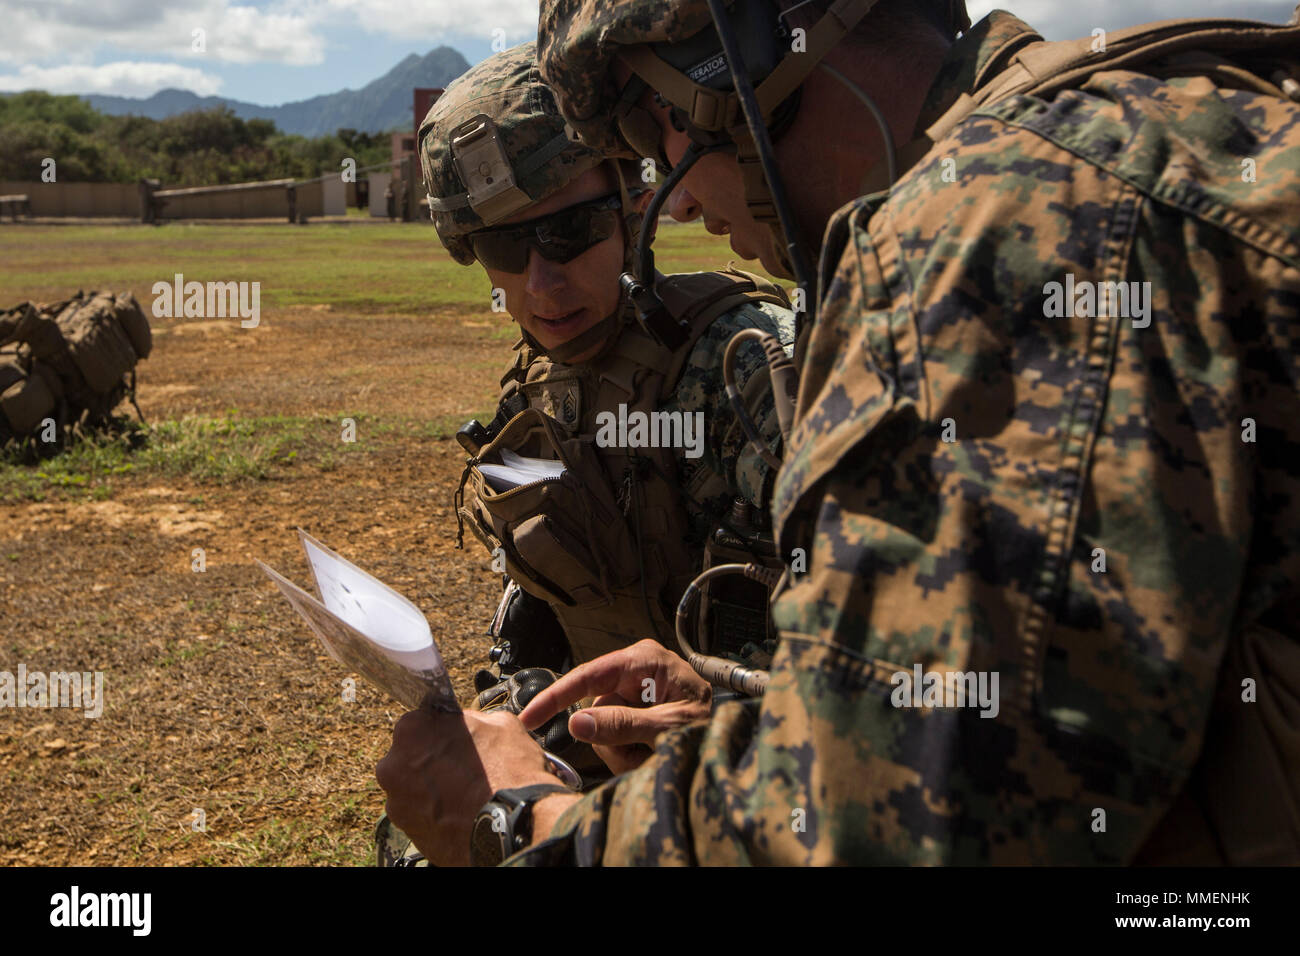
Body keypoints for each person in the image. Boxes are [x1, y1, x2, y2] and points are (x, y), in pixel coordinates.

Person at [386, 0, 1300, 865]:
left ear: (746, 59)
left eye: (654, 120)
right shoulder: (1163, 119)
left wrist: (519, 823)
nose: (677, 194)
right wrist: (746, 717)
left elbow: (898, 826)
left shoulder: (998, 227)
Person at [376, 40, 797, 864]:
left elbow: (861, 676)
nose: (541, 284)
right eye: (505, 252)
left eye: (569, 233)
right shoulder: (533, 394)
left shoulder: (750, 366)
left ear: (631, 205)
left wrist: (715, 706)